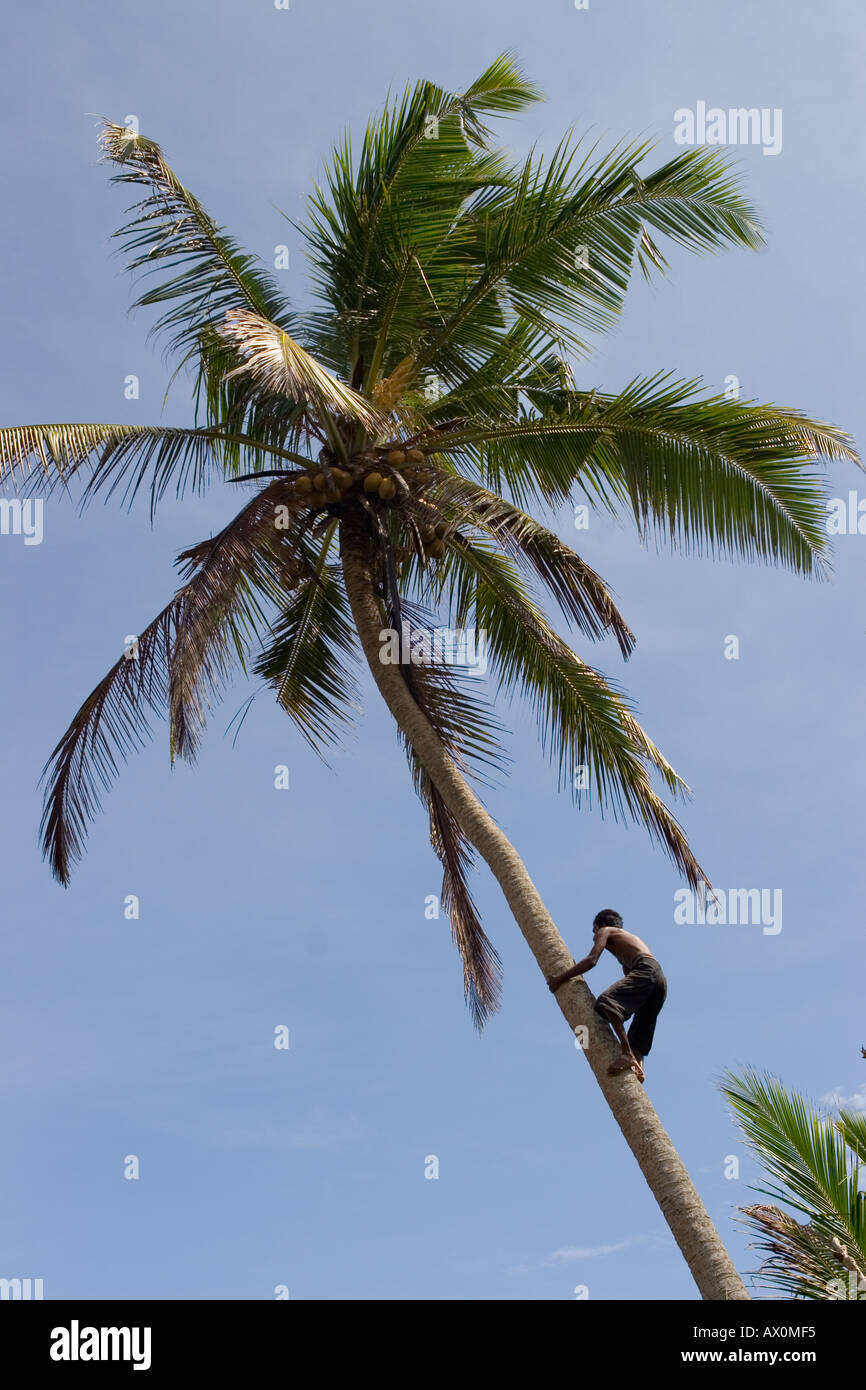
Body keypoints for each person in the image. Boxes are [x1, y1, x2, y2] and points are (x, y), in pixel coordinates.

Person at [547, 909, 667, 1083]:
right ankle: (638, 1067)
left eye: (594, 930)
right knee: (639, 1033)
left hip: (647, 970)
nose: (594, 936)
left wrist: (559, 979)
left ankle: (627, 1055)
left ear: (600, 925)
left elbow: (592, 960)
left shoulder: (606, 931)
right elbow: (631, 982)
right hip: (660, 981)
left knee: (607, 1002)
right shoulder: (628, 943)